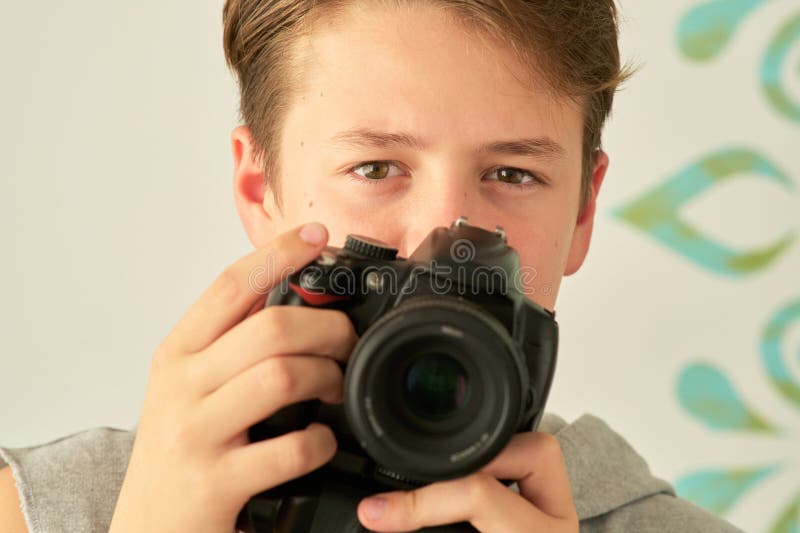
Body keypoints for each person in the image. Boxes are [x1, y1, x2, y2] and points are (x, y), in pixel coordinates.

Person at [0, 1, 742, 531]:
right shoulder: (49, 511)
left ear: (582, 212)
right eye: (376, 165)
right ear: (260, 191)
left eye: (513, 175)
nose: (441, 238)